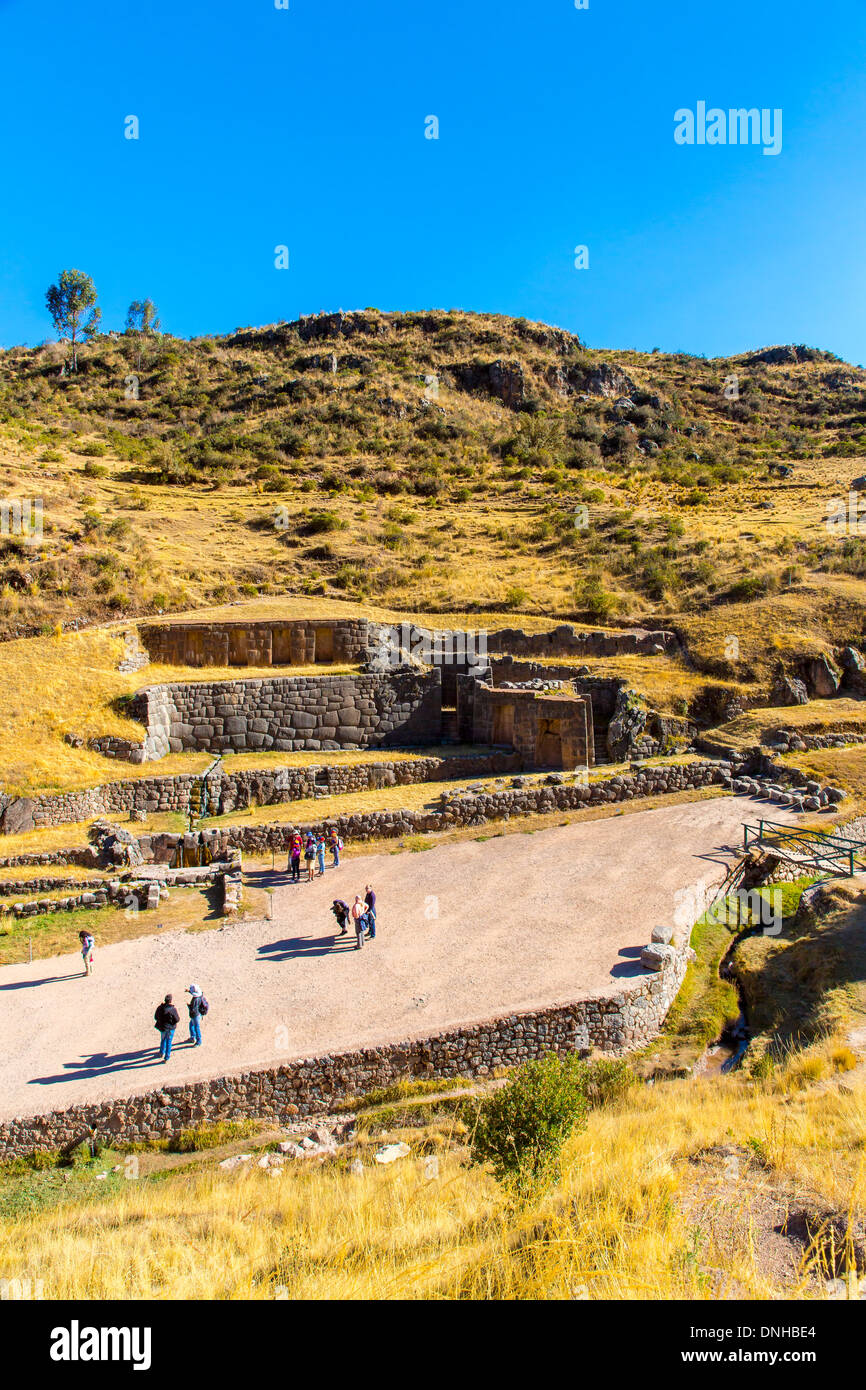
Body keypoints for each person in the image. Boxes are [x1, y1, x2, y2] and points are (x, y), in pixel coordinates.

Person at [154, 994, 180, 1062]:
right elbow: (177, 1019)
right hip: (171, 1028)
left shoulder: (160, 1008)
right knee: (169, 1042)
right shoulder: (173, 1009)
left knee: (163, 1040)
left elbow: (156, 1017)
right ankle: (167, 1058)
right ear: (170, 1001)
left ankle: (161, 1052)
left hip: (163, 1027)